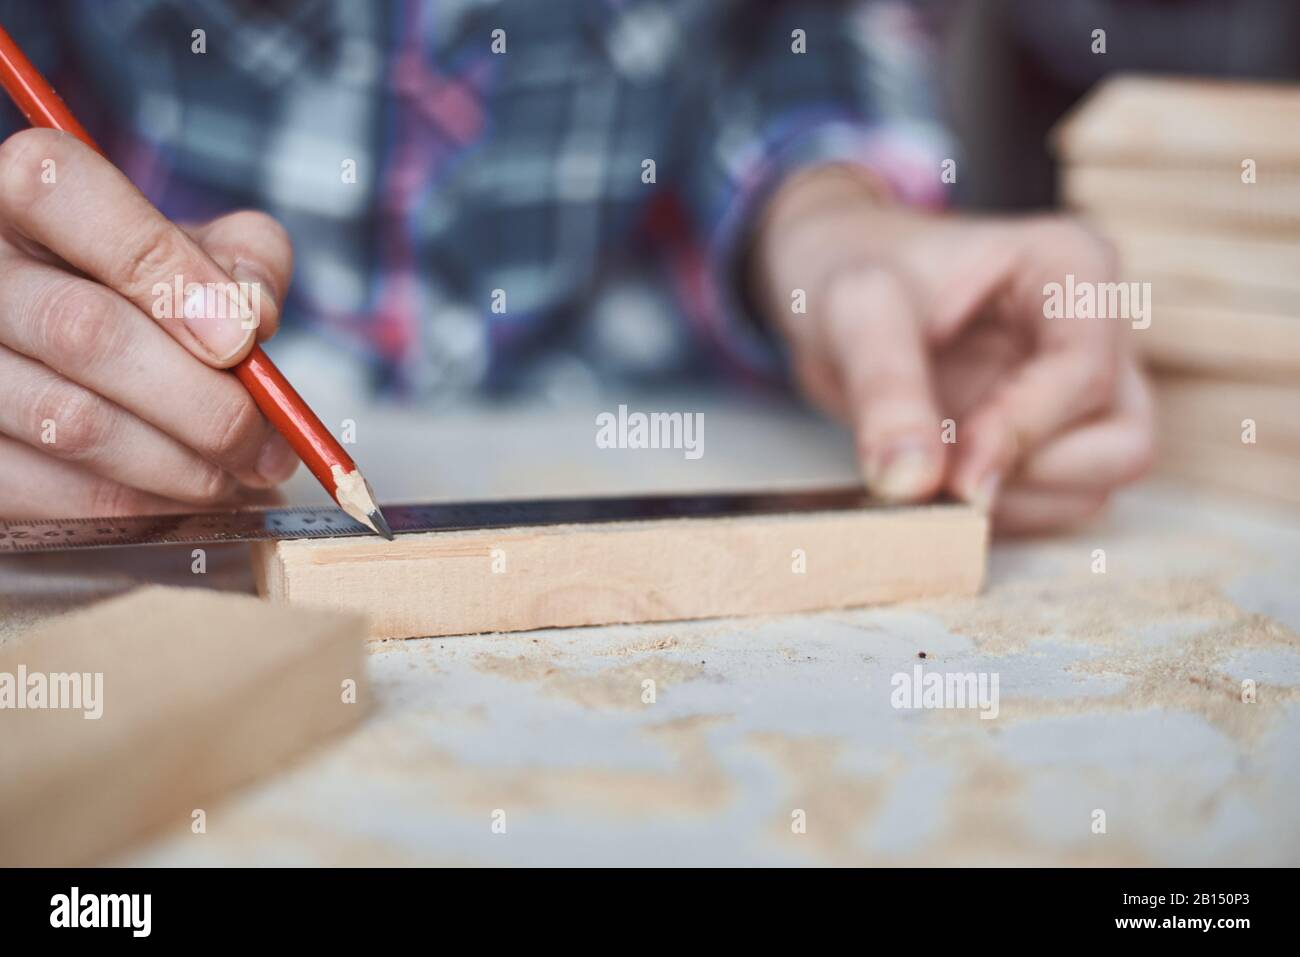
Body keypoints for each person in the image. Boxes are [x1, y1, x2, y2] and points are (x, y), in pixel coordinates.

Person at [0, 0, 1153, 532]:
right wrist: (39, 310)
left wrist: (828, 226)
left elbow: (794, 34)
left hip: (669, 424)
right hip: (146, 511)